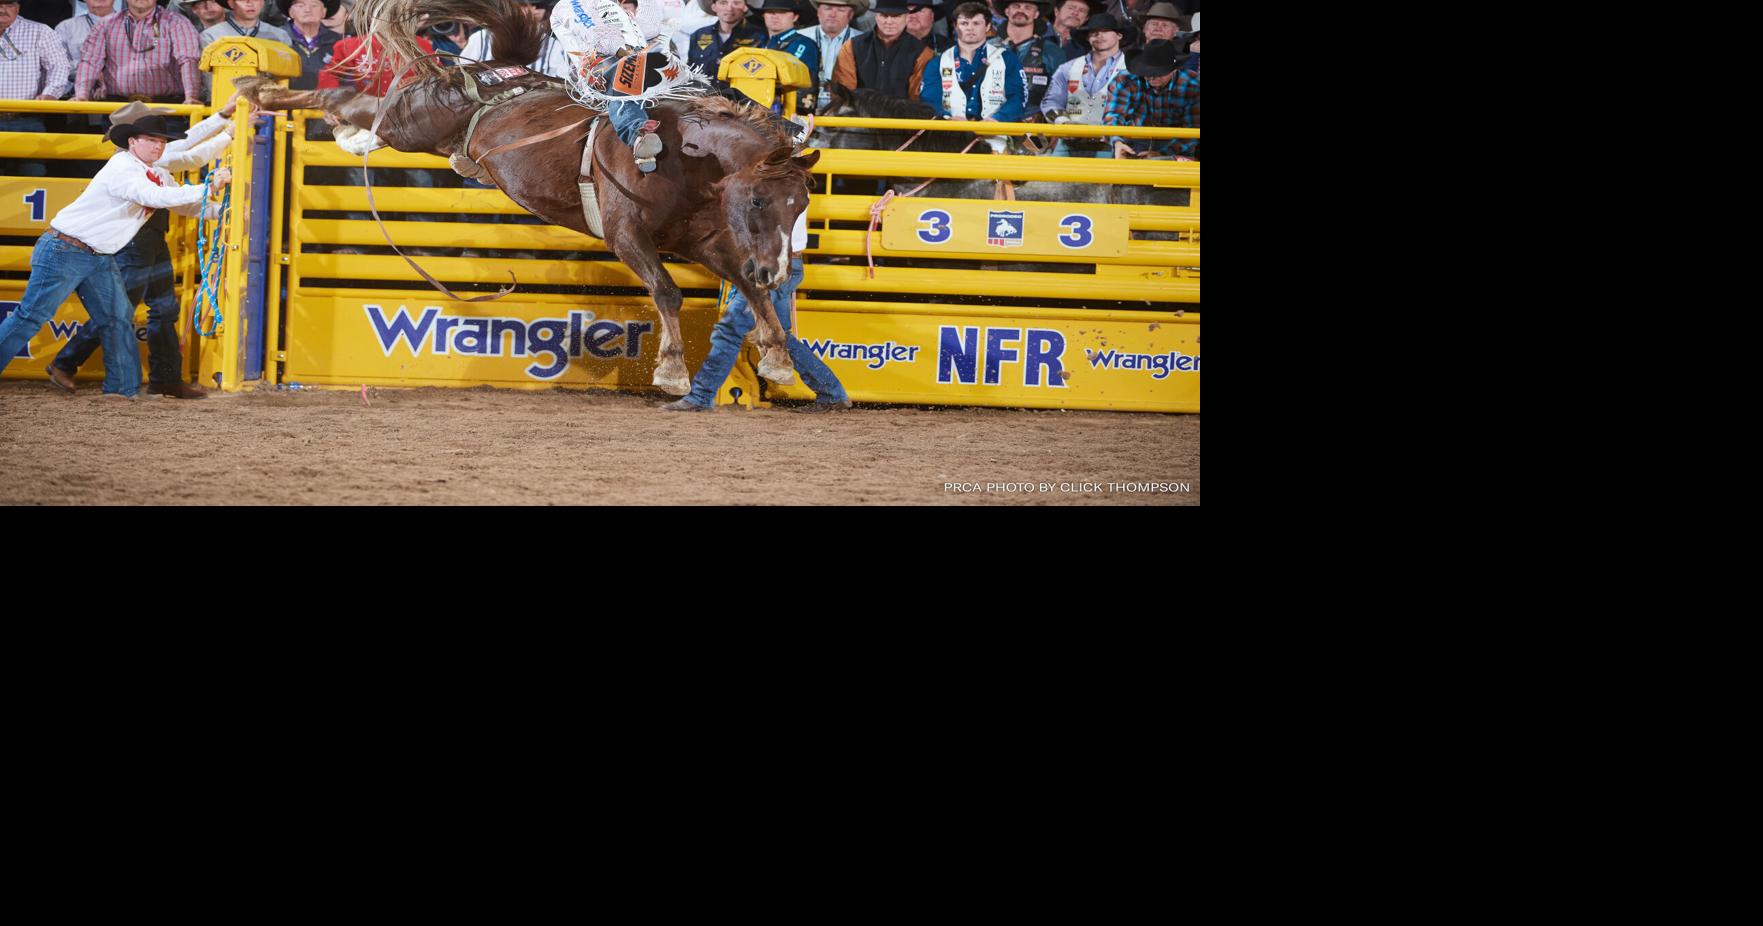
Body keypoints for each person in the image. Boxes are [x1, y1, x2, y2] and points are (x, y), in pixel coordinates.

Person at [0, 113, 232, 398]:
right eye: (150, 140)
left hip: (96, 254)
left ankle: (122, 391)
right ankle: (118, 386)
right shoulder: (123, 167)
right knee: (32, 316)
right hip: (66, 249)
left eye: (161, 141)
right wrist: (209, 186)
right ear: (132, 142)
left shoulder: (157, 174)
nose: (158, 147)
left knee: (118, 317)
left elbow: (183, 205)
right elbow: (156, 198)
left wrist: (222, 211)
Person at [661, 212, 851, 413]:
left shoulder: (771, 186)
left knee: (730, 330)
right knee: (780, 337)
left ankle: (701, 396)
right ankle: (832, 394)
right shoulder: (786, 185)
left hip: (769, 267)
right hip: (778, 264)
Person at [73, 0, 203, 104]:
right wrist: (81, 96)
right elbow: (89, 62)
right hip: (116, 106)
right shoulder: (105, 24)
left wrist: (191, 97)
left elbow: (188, 60)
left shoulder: (177, 22)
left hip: (167, 106)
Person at [921, 1, 1021, 131]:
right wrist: (946, 118)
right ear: (955, 27)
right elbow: (929, 99)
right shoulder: (937, 62)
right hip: (951, 134)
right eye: (964, 23)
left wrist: (997, 119)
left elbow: (1018, 97)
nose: (970, 28)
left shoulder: (1008, 59)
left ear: (987, 26)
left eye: (976, 23)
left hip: (996, 135)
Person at [1037, 9, 1123, 154]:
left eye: (1105, 31)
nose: (1099, 36)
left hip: (1111, 145)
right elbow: (1050, 101)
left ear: (1119, 35)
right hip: (1068, 143)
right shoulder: (1068, 68)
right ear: (1088, 38)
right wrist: (1063, 122)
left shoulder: (1131, 70)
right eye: (1094, 32)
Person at [1103, 36, 1193, 159]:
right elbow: (1113, 115)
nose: (1152, 76)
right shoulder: (1125, 79)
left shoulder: (1192, 84)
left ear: (1174, 70)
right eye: (1147, 71)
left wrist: (1163, 154)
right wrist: (1117, 142)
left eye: (1159, 72)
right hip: (1132, 141)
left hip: (1174, 144)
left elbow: (1193, 129)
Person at [831, 0, 927, 102]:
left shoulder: (921, 52)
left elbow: (918, 99)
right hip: (860, 115)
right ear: (876, 16)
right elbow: (844, 94)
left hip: (902, 116)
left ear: (907, 17)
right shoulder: (852, 46)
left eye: (896, 16)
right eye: (884, 15)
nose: (889, 21)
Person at [459, 0, 567, 76]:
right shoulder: (481, 38)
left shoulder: (555, 45)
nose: (531, 9)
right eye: (523, 5)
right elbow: (462, 74)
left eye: (537, 5)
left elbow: (562, 86)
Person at [992, 0, 1060, 112]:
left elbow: (1059, 94)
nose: (1021, 10)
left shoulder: (1052, 51)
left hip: (1033, 124)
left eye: (1028, 7)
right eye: (1016, 6)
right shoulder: (987, 47)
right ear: (1007, 11)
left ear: (1036, 14)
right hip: (990, 122)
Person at [799, 0, 862, 111]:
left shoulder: (863, 42)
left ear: (851, 15)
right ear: (818, 12)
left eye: (840, 10)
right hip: (802, 108)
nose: (832, 14)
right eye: (827, 8)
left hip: (847, 111)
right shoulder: (799, 38)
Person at [753, 0, 817, 108]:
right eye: (770, 12)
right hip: (762, 110)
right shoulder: (758, 45)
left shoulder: (804, 44)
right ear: (764, 15)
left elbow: (788, 76)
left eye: (782, 12)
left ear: (795, 17)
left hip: (794, 111)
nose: (775, 16)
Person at [52, 0, 115, 98]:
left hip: (122, 97)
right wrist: (89, 71)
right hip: (76, 96)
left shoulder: (131, 23)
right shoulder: (65, 28)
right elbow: (58, 65)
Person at [683, 0, 761, 77]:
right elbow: (691, 70)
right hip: (704, 88)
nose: (729, 8)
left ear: (745, 7)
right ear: (714, 7)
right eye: (723, 3)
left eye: (736, 3)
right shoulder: (698, 35)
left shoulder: (759, 36)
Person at [278, 0, 337, 88]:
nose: (308, 10)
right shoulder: (275, 38)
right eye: (301, 6)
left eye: (314, 5)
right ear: (291, 12)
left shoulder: (338, 42)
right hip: (283, 99)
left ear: (324, 12)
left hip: (326, 99)